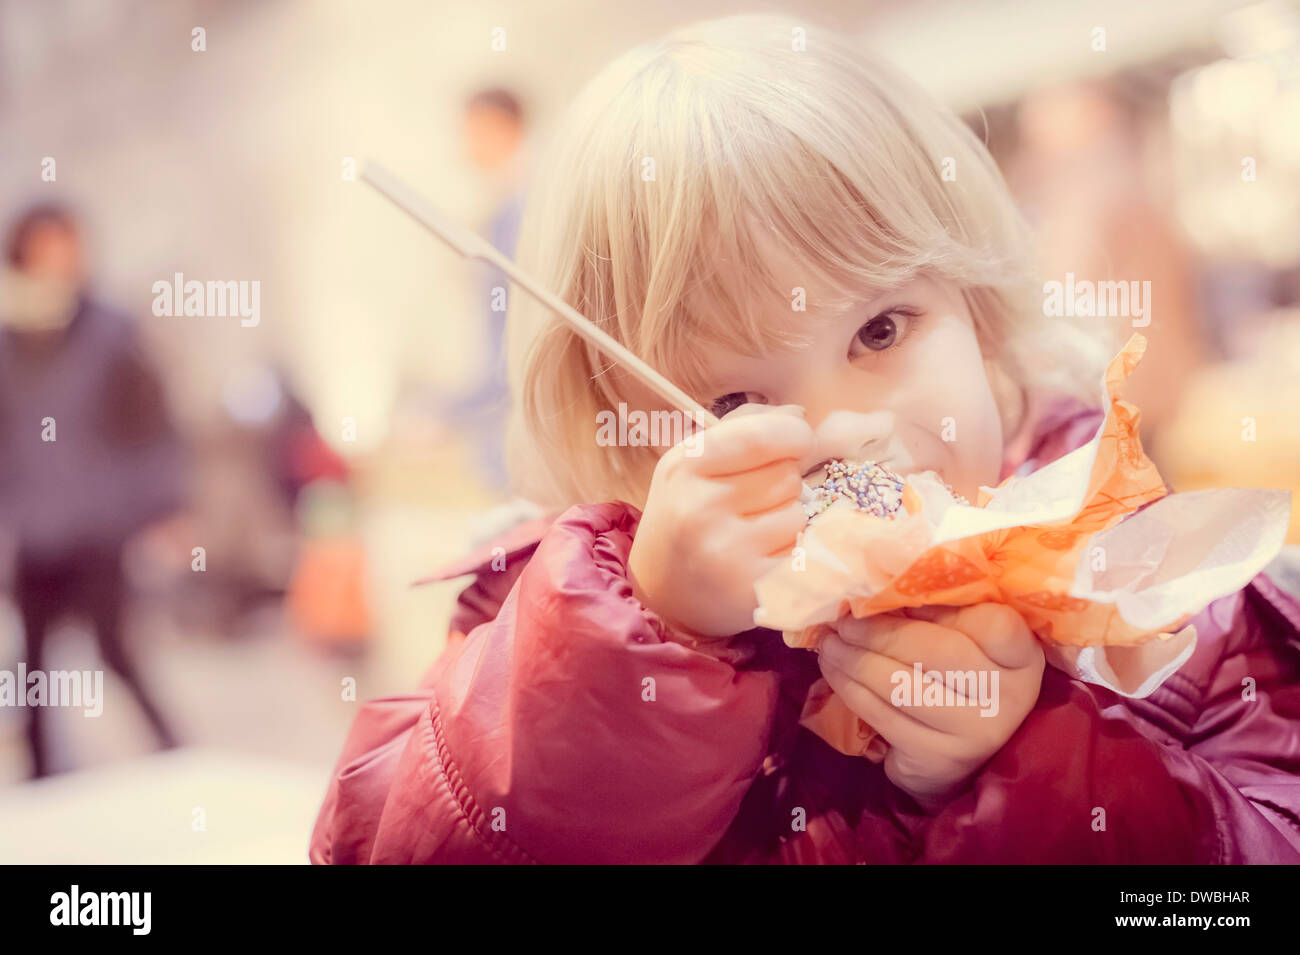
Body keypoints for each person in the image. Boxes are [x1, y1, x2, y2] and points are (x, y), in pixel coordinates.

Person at [309, 16, 1300, 863]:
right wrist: (645, 646)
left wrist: (1029, 761)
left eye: (879, 330)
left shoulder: (1159, 595)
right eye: (734, 400)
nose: (841, 433)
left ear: (978, 307)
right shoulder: (543, 615)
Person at [0, 203, 185, 777]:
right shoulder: (6, 336)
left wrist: (165, 506)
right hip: (34, 527)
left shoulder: (112, 331)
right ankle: (41, 777)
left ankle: (177, 755)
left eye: (69, 248)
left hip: (102, 521)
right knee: (32, 660)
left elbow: (151, 423)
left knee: (115, 647)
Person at [434, 87, 531, 492]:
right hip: (509, 428)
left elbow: (510, 344)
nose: (466, 146)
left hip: (515, 436)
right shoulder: (506, 209)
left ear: (500, 126)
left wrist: (444, 413)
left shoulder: (518, 213)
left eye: (472, 131)